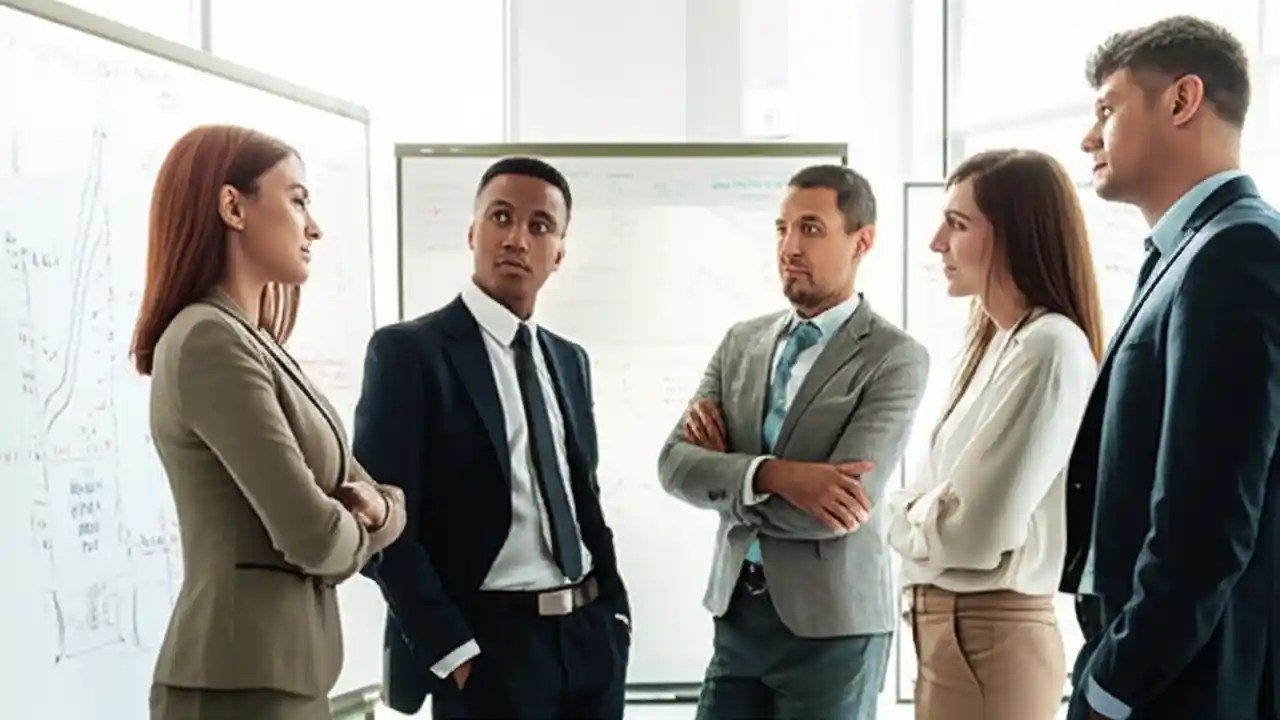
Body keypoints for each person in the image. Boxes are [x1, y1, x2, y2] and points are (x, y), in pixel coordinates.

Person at [131, 124, 407, 720]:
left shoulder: (254, 342)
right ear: (233, 206)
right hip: (237, 688)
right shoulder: (209, 340)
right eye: (298, 198)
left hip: (283, 681)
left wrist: (379, 511)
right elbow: (309, 533)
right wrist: (368, 525)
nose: (314, 226)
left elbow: (375, 495)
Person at [353, 157, 630, 719]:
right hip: (490, 651)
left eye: (540, 226)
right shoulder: (411, 354)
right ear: (472, 231)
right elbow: (381, 523)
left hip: (590, 641)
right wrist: (452, 652)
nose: (516, 238)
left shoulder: (569, 360)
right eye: (500, 217)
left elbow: (582, 500)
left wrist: (616, 618)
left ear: (559, 252)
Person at [1062, 16, 1280, 720]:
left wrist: (1115, 686)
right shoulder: (1192, 251)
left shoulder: (1235, 252)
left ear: (1182, 100)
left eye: (1107, 108)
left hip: (1181, 687)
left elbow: (1206, 522)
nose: (1089, 137)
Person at [657, 164, 929, 719]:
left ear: (862, 241)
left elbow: (836, 510)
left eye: (810, 228)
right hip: (736, 615)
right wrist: (776, 476)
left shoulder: (893, 357)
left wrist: (727, 472)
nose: (789, 246)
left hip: (833, 628)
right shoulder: (742, 342)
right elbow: (673, 466)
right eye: (781, 229)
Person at [886, 149, 1103, 719]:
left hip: (987, 634)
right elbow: (952, 511)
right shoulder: (1000, 342)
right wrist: (928, 511)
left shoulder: (1048, 347)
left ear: (1016, 236)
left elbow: (976, 535)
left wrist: (900, 514)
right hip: (953, 631)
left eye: (957, 224)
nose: (937, 242)